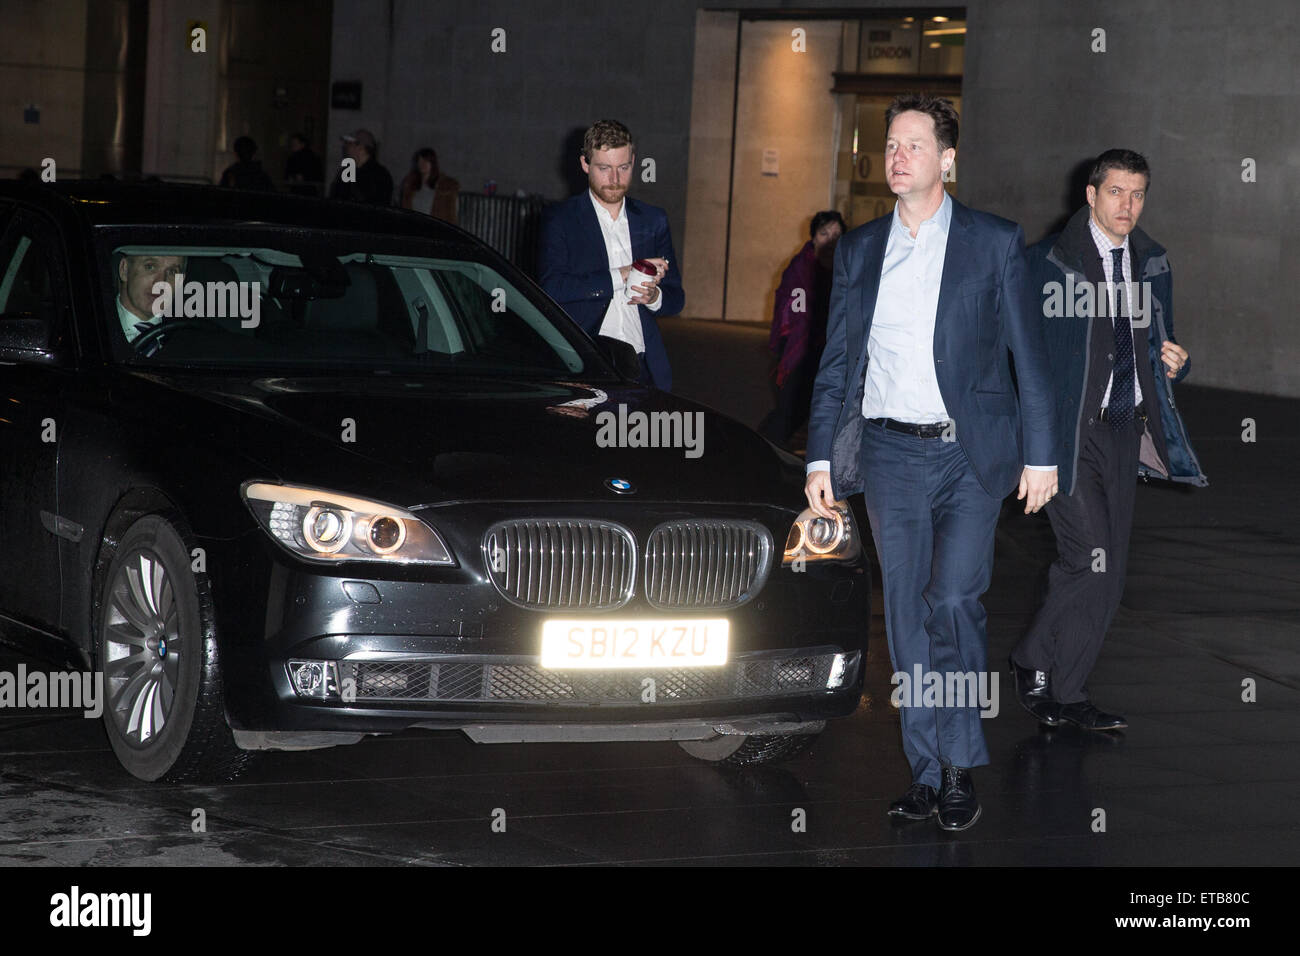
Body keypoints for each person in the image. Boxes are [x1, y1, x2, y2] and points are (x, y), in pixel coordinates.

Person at [804, 93, 1057, 831]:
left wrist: (1040, 455)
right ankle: (926, 772)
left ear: (948, 158)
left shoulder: (993, 242)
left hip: (968, 455)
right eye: (890, 144)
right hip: (886, 454)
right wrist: (819, 456)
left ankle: (957, 765)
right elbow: (837, 362)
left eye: (914, 144)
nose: (898, 155)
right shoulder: (856, 250)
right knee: (909, 622)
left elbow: (1029, 359)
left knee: (952, 601)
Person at [1010, 149, 1205, 731]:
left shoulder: (1152, 262)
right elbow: (1016, 357)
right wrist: (1030, 444)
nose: (1127, 205)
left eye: (1138, 194)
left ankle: (1067, 691)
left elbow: (1158, 346)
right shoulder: (1047, 263)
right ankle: (1030, 659)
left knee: (1110, 570)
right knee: (1087, 559)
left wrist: (1176, 363)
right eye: (1116, 192)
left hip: (1126, 429)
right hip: (1067, 436)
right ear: (1090, 195)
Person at [538, 119, 683, 390]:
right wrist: (623, 274)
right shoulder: (561, 219)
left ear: (633, 161)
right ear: (585, 164)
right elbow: (552, 289)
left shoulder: (653, 220)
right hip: (587, 362)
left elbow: (677, 297)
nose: (615, 180)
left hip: (643, 364)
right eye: (604, 168)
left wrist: (654, 297)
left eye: (623, 168)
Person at [758, 210, 846, 448]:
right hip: (800, 350)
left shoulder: (843, 267)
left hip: (829, 349)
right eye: (824, 233)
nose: (830, 239)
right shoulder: (800, 267)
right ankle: (759, 449)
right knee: (790, 412)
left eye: (837, 234)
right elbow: (790, 313)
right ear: (814, 237)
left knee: (809, 412)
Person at [116, 253, 186, 342]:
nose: (161, 282)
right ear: (124, 270)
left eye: (172, 272)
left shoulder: (190, 338)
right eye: (150, 267)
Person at [329, 128, 394, 206]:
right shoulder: (348, 171)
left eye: (349, 144)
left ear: (361, 148)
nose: (346, 147)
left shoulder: (379, 175)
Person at [400, 148, 460, 224]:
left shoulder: (445, 187)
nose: (423, 164)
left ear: (433, 163)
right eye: (420, 161)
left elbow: (452, 214)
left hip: (435, 230)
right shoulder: (410, 185)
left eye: (426, 161)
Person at [284, 132, 324, 197]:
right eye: (292, 144)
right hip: (295, 192)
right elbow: (287, 176)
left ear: (302, 144)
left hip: (308, 193)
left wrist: (305, 178)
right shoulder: (291, 159)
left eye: (295, 144)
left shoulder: (312, 158)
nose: (293, 146)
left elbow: (318, 177)